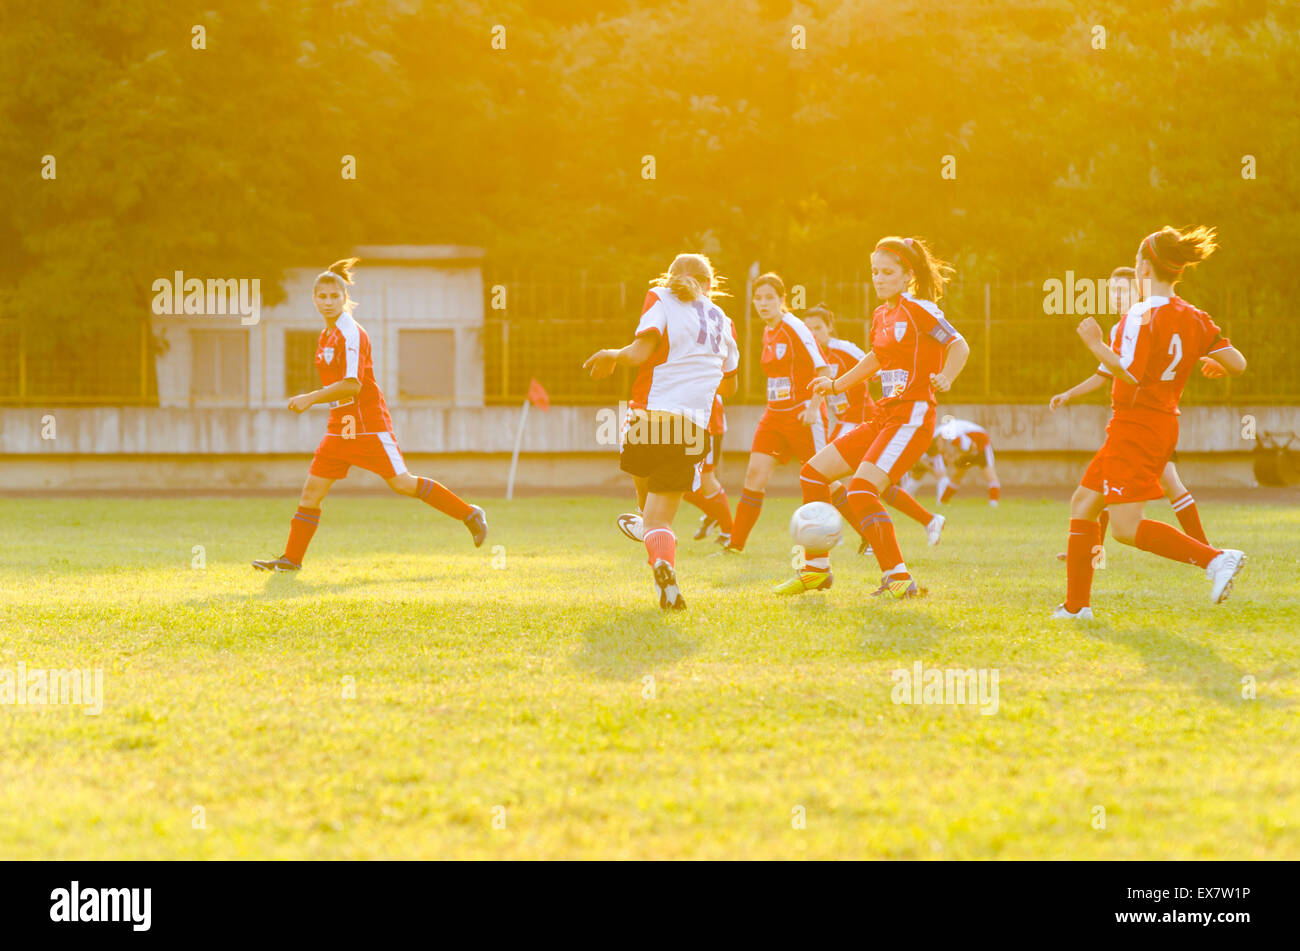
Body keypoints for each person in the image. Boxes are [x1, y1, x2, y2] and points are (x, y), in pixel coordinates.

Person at [1056, 227, 1247, 619]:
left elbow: (1129, 373)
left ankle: (1214, 559)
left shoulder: (1140, 313)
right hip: (1158, 423)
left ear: (1143, 266)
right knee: (1084, 502)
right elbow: (1239, 364)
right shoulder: (1194, 316)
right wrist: (1214, 364)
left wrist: (1094, 343)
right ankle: (1076, 608)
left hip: (1136, 425)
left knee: (1126, 528)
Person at [253, 258, 486, 571]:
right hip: (340, 426)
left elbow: (352, 385)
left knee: (402, 484)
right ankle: (291, 560)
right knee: (310, 492)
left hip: (366, 423)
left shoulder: (351, 333)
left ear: (344, 298)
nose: (328, 301)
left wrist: (310, 398)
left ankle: (469, 513)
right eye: (322, 296)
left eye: (334, 296)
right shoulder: (327, 334)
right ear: (314, 299)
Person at [780, 236, 969, 596]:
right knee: (813, 473)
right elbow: (876, 360)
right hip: (884, 416)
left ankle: (899, 579)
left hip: (912, 416)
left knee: (862, 491)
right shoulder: (882, 314)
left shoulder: (921, 309)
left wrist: (947, 376)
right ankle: (816, 570)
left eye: (887, 272)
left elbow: (959, 344)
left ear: (906, 275)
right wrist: (834, 385)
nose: (879, 279)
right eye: (874, 272)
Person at [586, 253, 739, 609]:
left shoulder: (660, 296)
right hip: (690, 428)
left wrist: (611, 353)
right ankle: (663, 566)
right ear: (711, 284)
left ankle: (658, 565)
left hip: (646, 419)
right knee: (659, 519)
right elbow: (729, 388)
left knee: (647, 510)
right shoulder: (724, 320)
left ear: (671, 277)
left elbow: (640, 353)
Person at [1050, 266, 1214, 560]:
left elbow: (1126, 371)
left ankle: (1209, 554)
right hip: (1143, 422)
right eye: (1112, 291)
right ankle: (1092, 552)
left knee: (1167, 485)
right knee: (1105, 487)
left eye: (1122, 290)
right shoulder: (1126, 325)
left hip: (1147, 422)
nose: (1115, 296)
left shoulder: (1143, 319)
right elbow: (1105, 373)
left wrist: (1095, 344)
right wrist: (1069, 394)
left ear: (1138, 289)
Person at [721, 273, 831, 553]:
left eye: (770, 297)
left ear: (783, 299)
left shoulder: (795, 326)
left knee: (823, 479)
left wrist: (813, 406)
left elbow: (823, 368)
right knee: (754, 476)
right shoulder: (767, 330)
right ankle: (735, 546)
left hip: (802, 414)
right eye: (758, 298)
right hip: (774, 416)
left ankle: (849, 538)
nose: (763, 303)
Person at [933, 418, 1000, 506]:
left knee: (989, 474)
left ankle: (993, 504)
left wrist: (956, 456)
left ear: (939, 437)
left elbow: (972, 447)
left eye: (936, 442)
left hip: (981, 444)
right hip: (968, 449)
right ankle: (943, 502)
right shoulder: (947, 435)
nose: (936, 446)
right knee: (956, 475)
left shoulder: (953, 436)